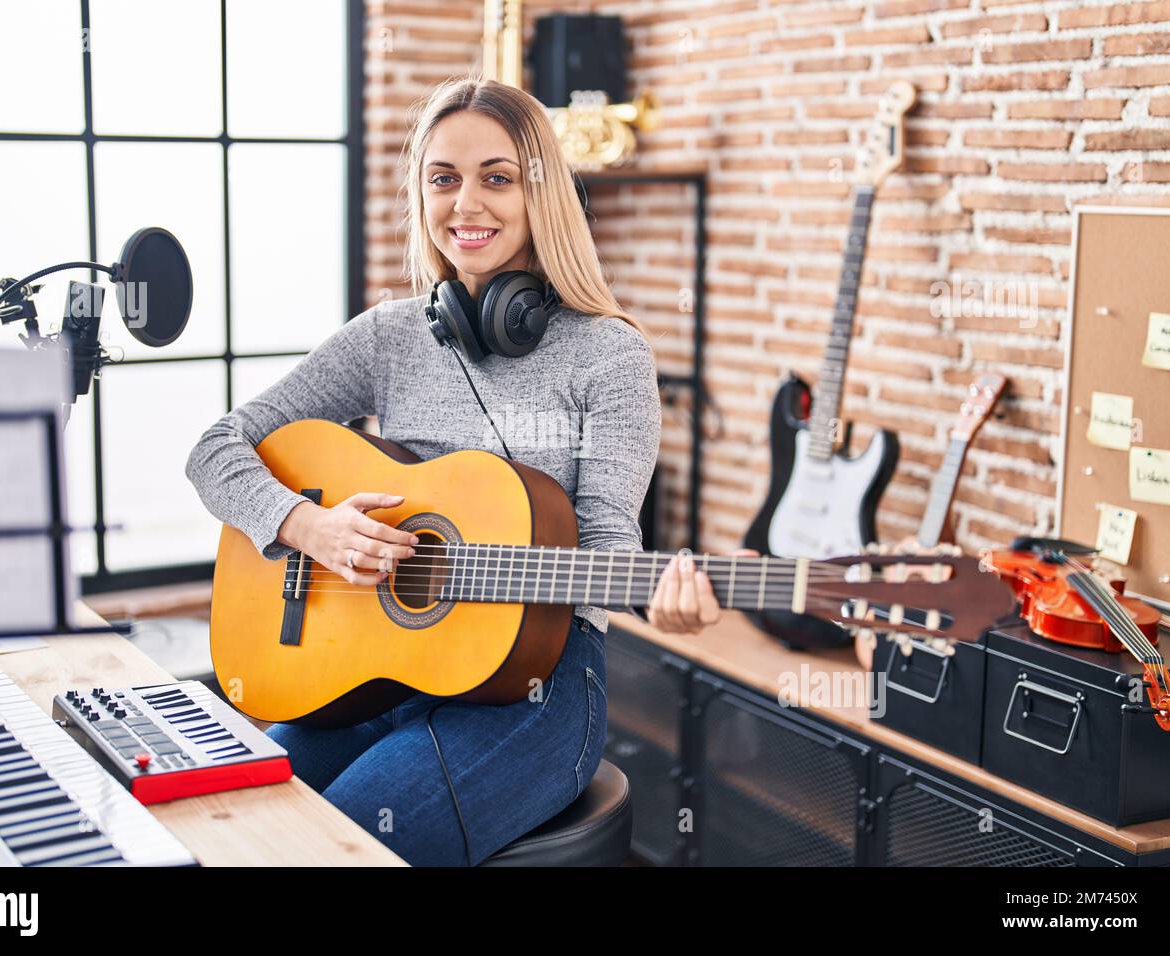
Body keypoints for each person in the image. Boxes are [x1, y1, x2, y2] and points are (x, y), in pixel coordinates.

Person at [185, 73, 749, 865]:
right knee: (239, 830)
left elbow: (607, 541)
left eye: (498, 177)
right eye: (443, 179)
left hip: (534, 692)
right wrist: (309, 526)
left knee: (324, 851)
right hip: (370, 673)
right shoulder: (388, 337)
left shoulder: (611, 354)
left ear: (541, 194)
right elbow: (215, 447)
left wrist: (670, 598)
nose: (466, 205)